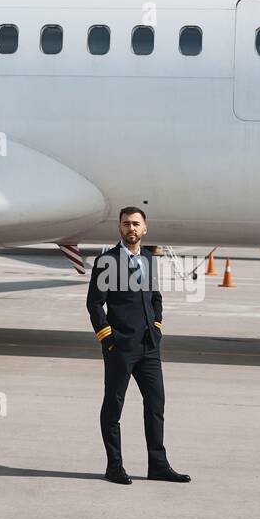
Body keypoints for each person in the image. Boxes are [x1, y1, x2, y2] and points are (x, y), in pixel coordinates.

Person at [86, 207, 191, 485]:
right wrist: (108, 339)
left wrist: (157, 327)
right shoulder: (106, 261)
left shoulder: (148, 260)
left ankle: (158, 464)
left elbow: (156, 297)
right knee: (114, 406)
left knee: (156, 405)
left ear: (144, 229)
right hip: (120, 347)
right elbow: (94, 304)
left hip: (149, 348)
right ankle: (114, 466)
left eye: (135, 224)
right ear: (119, 228)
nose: (131, 228)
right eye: (125, 224)